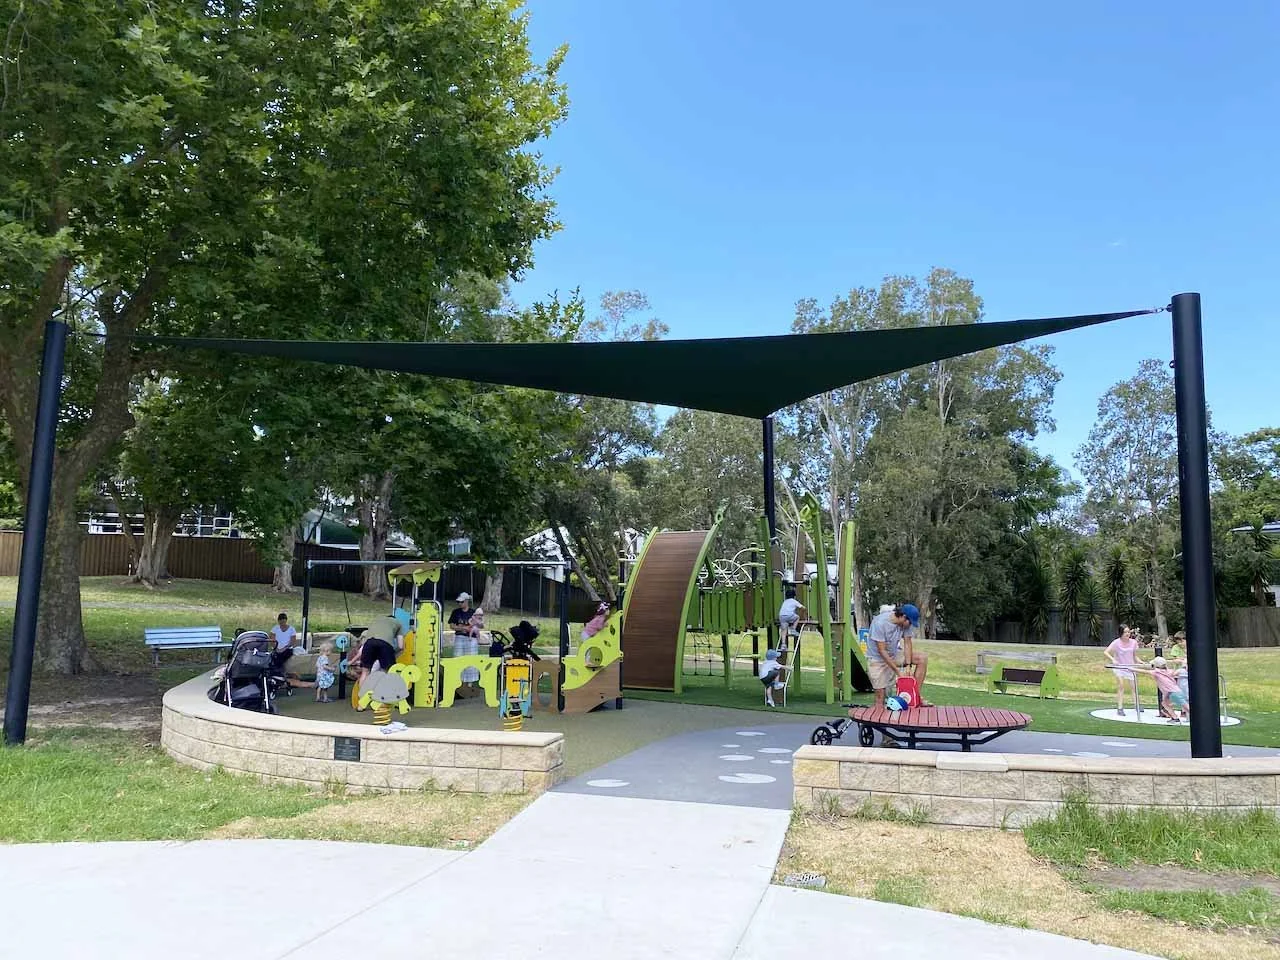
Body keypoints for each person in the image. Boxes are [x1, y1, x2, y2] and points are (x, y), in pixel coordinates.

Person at [863, 602, 932, 717]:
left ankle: (914, 696)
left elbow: (907, 643)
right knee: (880, 699)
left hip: (893, 655)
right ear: (904, 617)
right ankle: (881, 724)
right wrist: (898, 672)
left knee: (922, 658)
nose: (910, 625)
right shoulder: (879, 623)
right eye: (910, 622)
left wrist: (908, 666)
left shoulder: (905, 624)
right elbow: (882, 651)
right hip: (877, 660)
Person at [1132, 657, 1189, 723]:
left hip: (1173, 692)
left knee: (1186, 707)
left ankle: (1195, 717)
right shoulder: (1168, 671)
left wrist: (1132, 669)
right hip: (1171, 692)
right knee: (1165, 703)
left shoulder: (1156, 672)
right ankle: (1175, 718)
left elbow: (1145, 671)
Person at [448, 592, 480, 696]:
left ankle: (470, 683)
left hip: (471, 639)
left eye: (461, 602)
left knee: (471, 659)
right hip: (459, 637)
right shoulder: (455, 612)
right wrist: (463, 628)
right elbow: (452, 625)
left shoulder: (473, 612)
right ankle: (459, 682)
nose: (460, 604)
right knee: (458, 657)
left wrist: (471, 628)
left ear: (467, 601)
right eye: (458, 602)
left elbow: (478, 625)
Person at [1104, 624, 1141, 715]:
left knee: (1134, 687)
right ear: (1121, 633)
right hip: (1119, 667)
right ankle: (1120, 708)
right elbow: (1106, 652)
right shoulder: (1116, 642)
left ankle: (1136, 705)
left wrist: (1141, 662)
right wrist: (1113, 659)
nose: (1127, 634)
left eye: (1128, 632)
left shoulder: (1133, 642)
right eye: (1125, 632)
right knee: (1121, 685)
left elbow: (1135, 656)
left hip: (1130, 667)